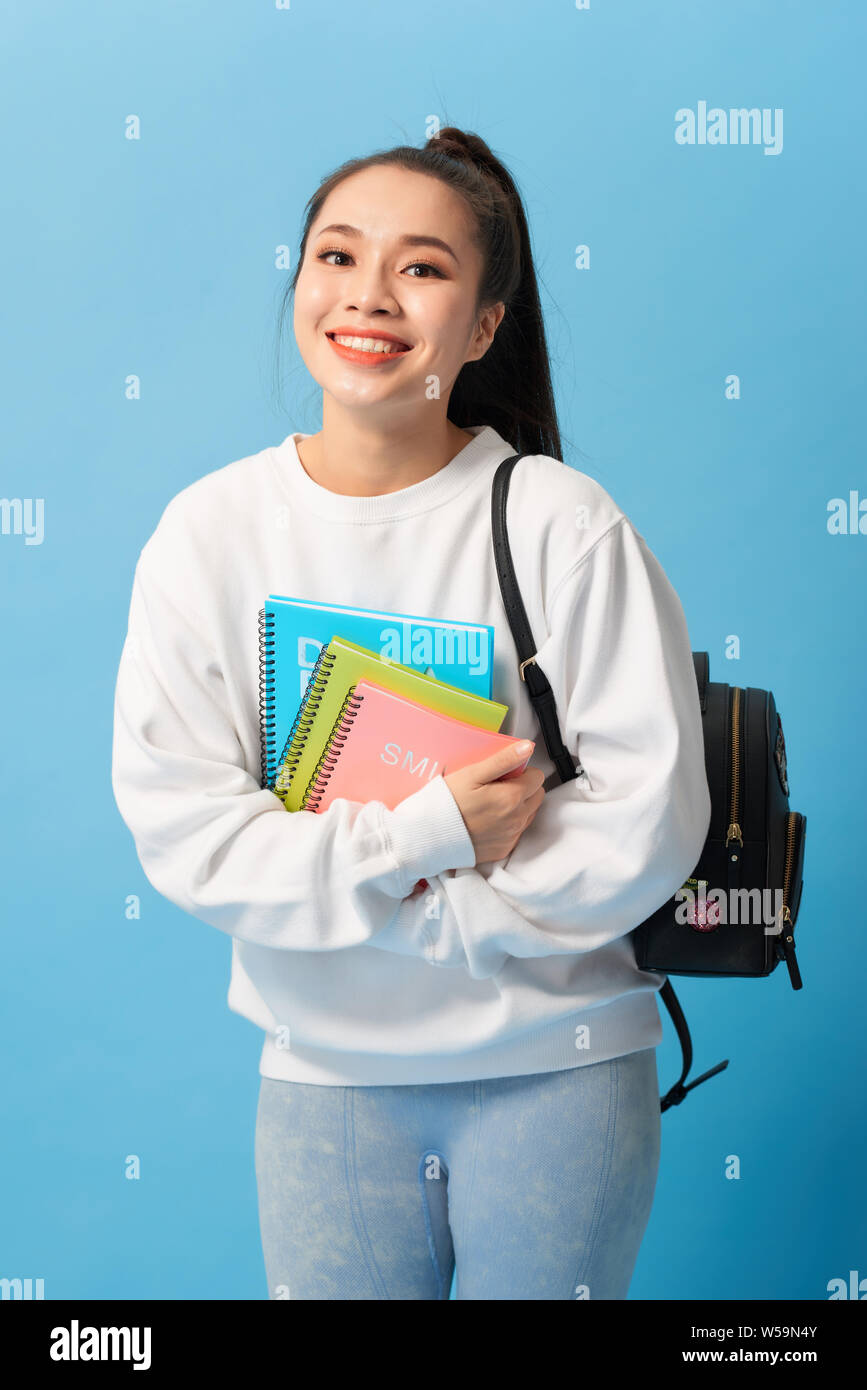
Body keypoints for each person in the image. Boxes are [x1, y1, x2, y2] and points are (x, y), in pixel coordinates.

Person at [111, 127, 711, 1300]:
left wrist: (438, 921)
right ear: (299, 283)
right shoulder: (211, 534)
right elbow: (187, 828)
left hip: (560, 1070)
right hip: (325, 1081)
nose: (369, 296)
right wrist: (426, 838)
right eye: (336, 255)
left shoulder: (558, 522)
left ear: (484, 326)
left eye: (423, 268)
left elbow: (654, 813)